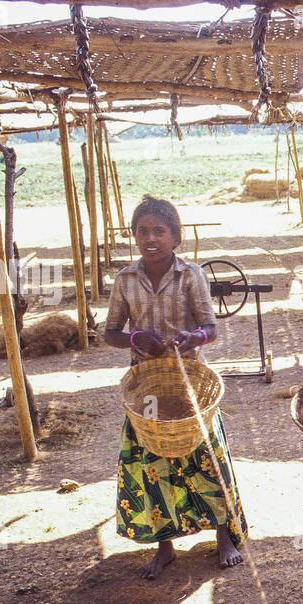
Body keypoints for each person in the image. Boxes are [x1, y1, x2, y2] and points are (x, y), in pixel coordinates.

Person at [104, 196, 249, 579]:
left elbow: (211, 328)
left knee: (205, 458)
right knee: (151, 461)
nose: (150, 238)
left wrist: (193, 336)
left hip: (189, 380)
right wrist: (137, 338)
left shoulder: (191, 275)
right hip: (146, 387)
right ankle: (164, 544)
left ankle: (224, 535)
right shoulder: (125, 280)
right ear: (133, 235)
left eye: (159, 231)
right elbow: (110, 334)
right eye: (142, 231)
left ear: (176, 237)